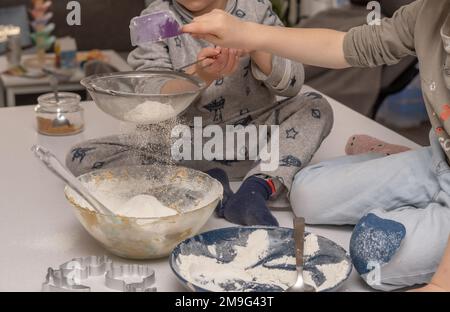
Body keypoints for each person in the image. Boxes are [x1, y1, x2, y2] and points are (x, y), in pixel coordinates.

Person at [182, 0, 450, 291]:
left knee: (373, 252)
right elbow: (348, 46)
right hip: (439, 160)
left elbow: (289, 82)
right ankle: (412, 167)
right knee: (306, 193)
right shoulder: (429, 11)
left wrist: (439, 283)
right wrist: (247, 33)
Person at [66, 0, 334, 227]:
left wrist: (253, 42)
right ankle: (205, 182)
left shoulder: (256, 8)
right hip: (184, 146)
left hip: (255, 141)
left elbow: (292, 84)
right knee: (82, 157)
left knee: (315, 106)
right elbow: (151, 99)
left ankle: (256, 189)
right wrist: (200, 75)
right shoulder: (154, 19)